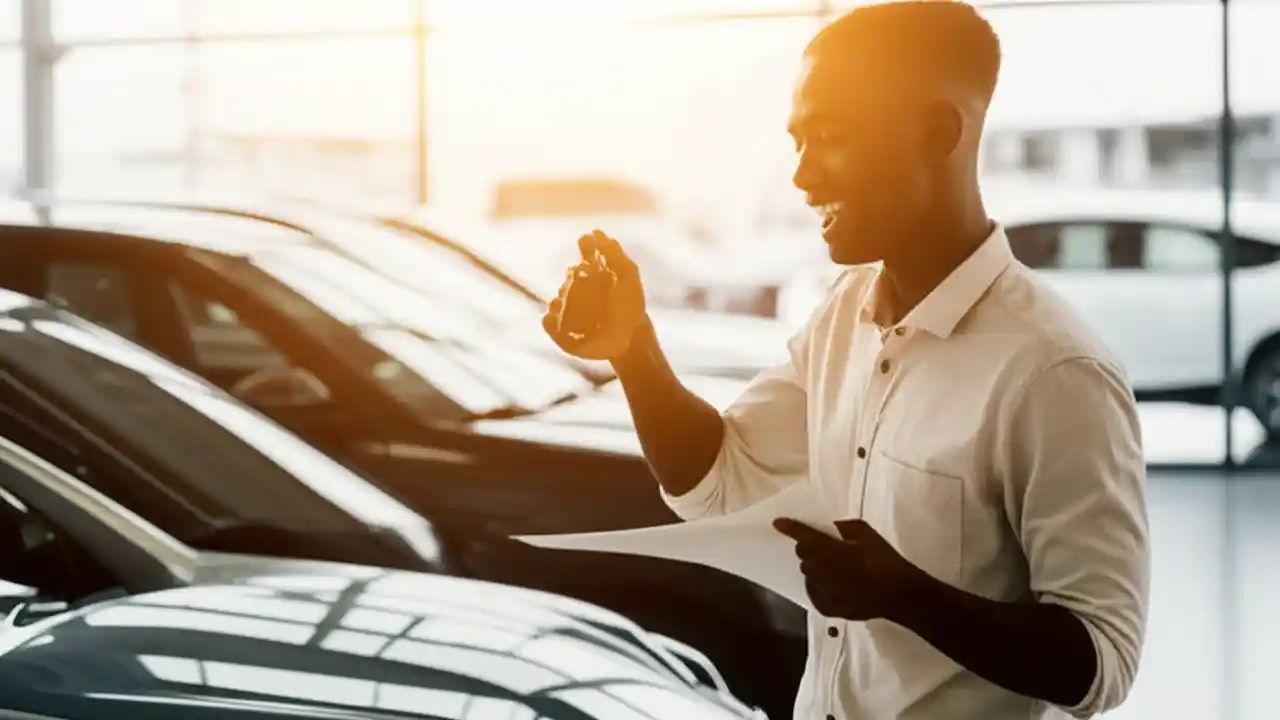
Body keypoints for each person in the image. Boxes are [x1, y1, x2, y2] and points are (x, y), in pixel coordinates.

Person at [541, 2, 1149, 718]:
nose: (803, 178)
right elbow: (715, 479)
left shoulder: (1054, 371)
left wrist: (907, 597)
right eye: (798, 141)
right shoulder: (844, 314)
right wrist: (634, 350)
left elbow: (1101, 660)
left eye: (828, 137)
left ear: (939, 132)